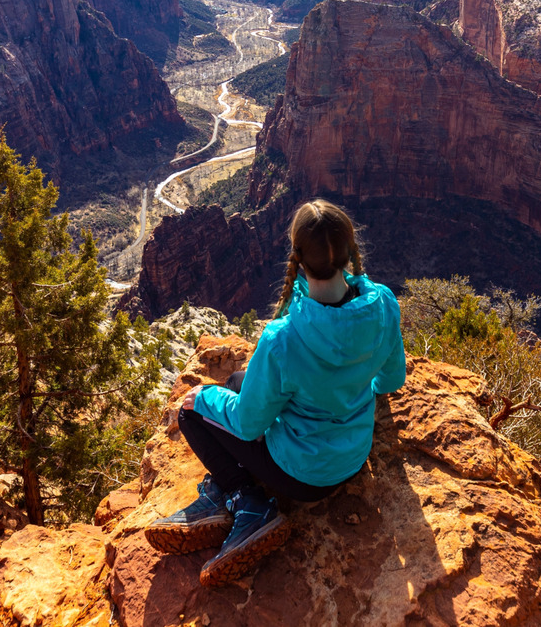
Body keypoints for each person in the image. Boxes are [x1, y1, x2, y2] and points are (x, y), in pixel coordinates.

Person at [144, 200, 406, 587]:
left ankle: (247, 503)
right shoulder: (383, 303)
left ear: (298, 259)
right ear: (350, 253)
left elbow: (249, 426)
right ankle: (223, 493)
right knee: (238, 383)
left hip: (298, 476)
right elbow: (390, 380)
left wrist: (202, 397)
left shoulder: (282, 339)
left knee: (193, 411)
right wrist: (346, 385)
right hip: (352, 456)